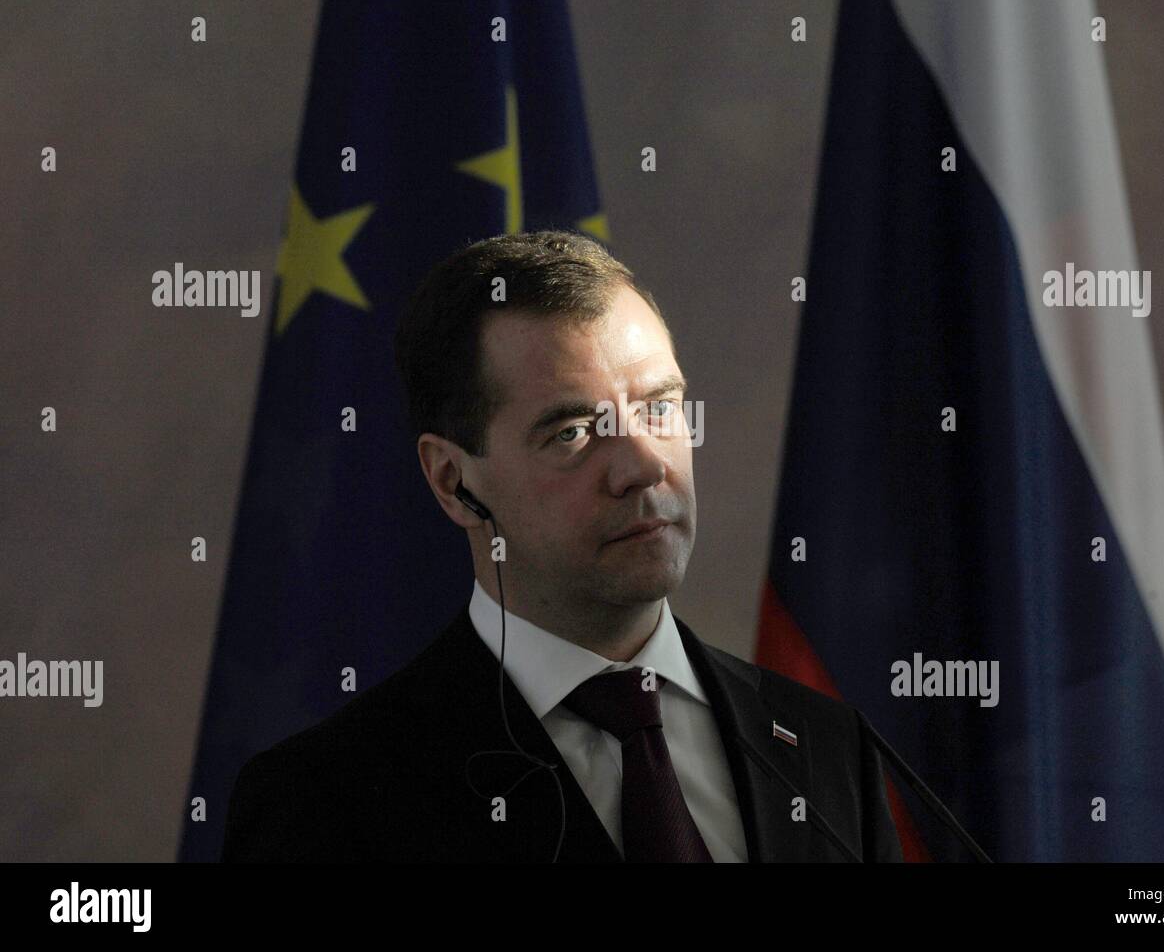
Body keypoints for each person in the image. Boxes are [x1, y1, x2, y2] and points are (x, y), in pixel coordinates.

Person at [221, 230, 903, 862]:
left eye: (660, 408)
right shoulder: (326, 803)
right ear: (453, 482)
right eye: (573, 432)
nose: (642, 465)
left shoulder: (827, 745)